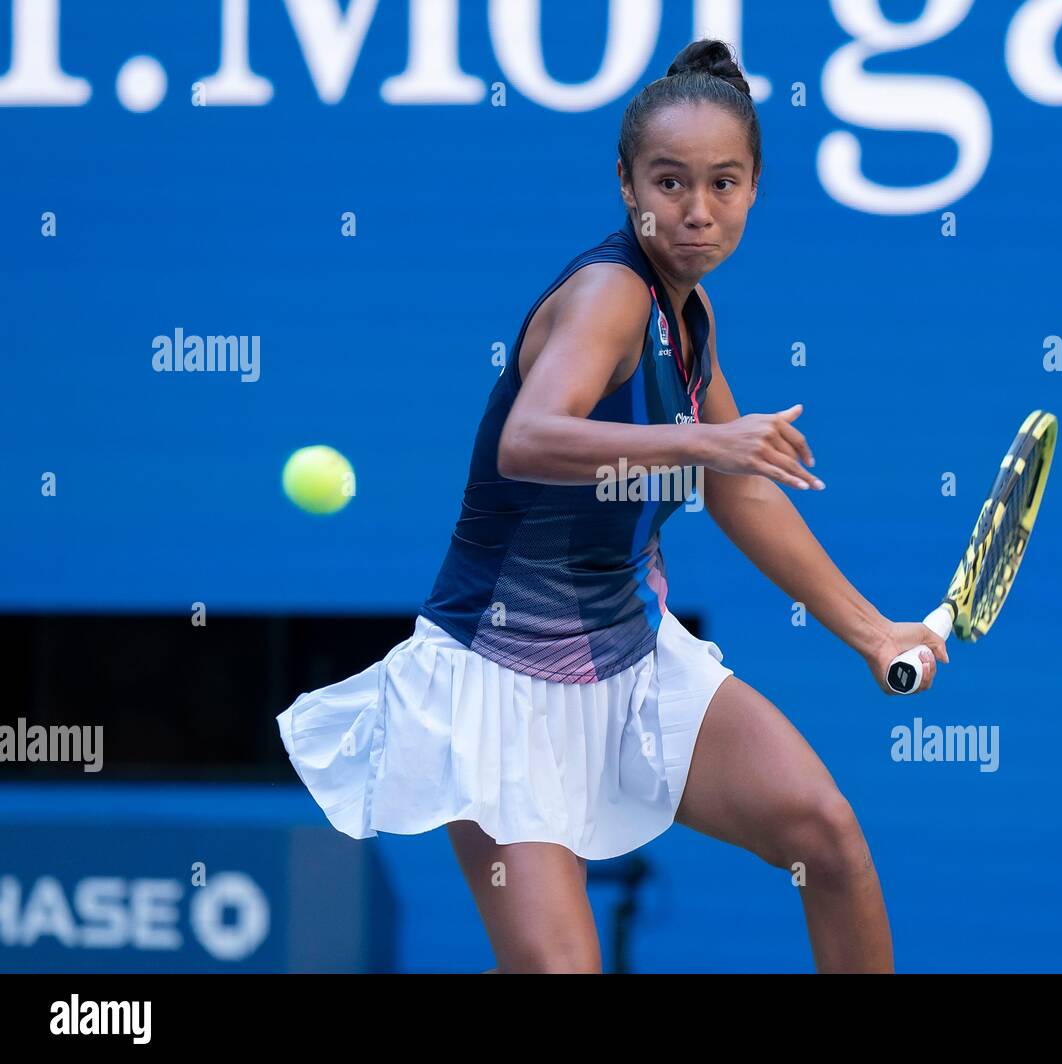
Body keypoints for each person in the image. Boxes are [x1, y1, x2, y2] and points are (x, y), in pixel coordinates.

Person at [276, 38, 948, 974]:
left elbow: (739, 488)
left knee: (827, 842)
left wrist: (873, 632)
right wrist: (701, 440)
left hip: (632, 661)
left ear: (756, 188)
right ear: (626, 183)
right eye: (669, 183)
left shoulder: (692, 317)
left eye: (724, 183)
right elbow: (534, 438)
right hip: (498, 684)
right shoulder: (609, 295)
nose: (698, 211)